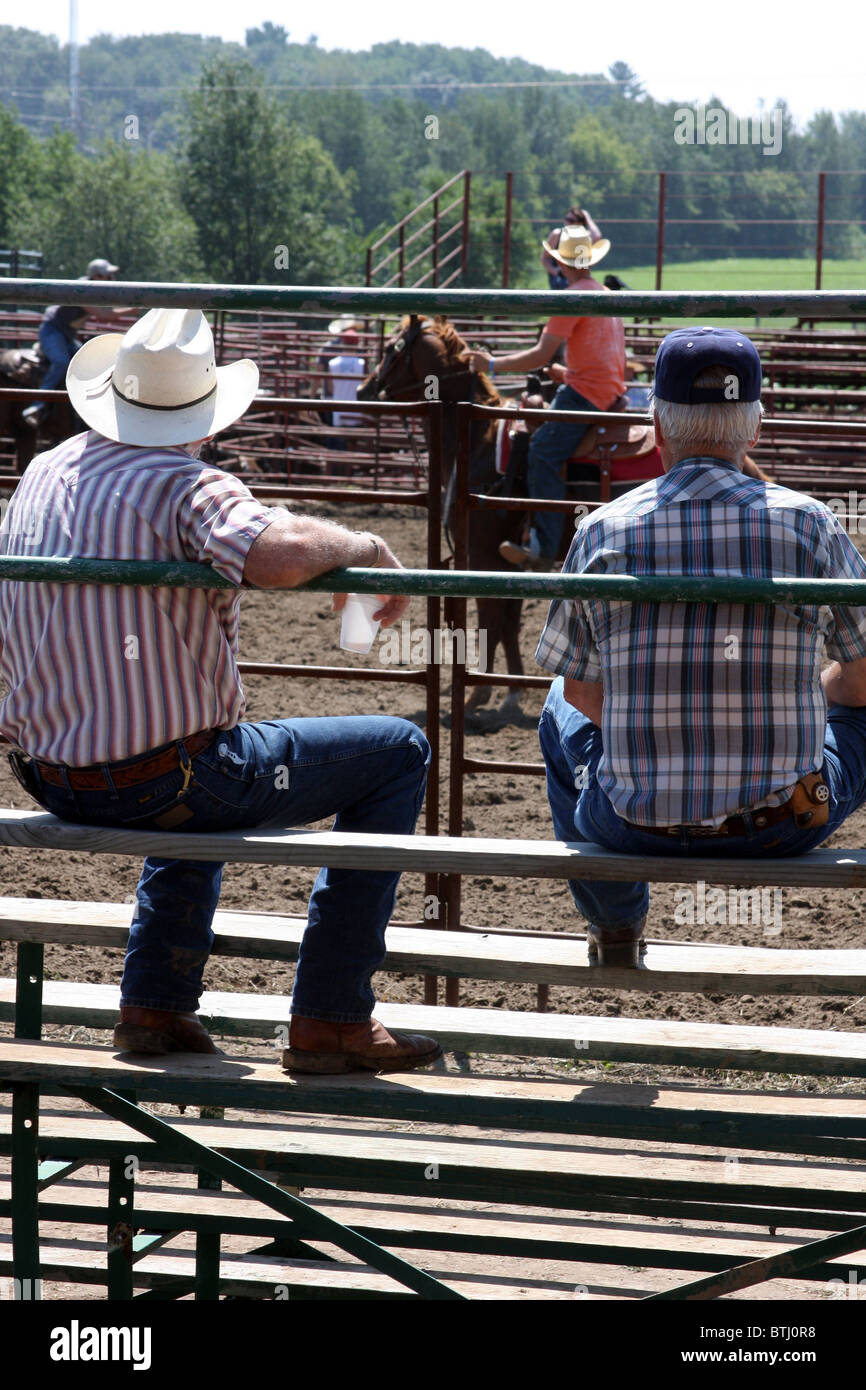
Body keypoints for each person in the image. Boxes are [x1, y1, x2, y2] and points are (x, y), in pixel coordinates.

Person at [0, 307, 441, 1074]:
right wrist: (364, 544)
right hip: (163, 779)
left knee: (194, 746)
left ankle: (156, 1005)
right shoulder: (185, 483)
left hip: (47, 771)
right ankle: (332, 1017)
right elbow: (278, 554)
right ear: (202, 414)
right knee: (397, 749)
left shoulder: (45, 470)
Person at [534, 326, 866, 967]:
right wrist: (812, 698)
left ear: (656, 426)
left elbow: (583, 692)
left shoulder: (601, 531)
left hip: (632, 821)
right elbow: (860, 683)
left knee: (558, 703)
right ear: (757, 428)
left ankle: (614, 923)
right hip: (785, 827)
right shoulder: (810, 525)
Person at [469, 223, 625, 568]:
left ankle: (543, 547)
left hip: (587, 395)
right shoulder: (603, 293)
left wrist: (491, 364)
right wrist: (567, 373)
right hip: (604, 389)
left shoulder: (571, 298)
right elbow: (604, 355)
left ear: (559, 262)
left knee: (542, 450)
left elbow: (541, 354)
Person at [22, 258, 125, 428]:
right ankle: (37, 405)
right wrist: (136, 307)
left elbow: (107, 312)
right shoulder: (83, 290)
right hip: (53, 331)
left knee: (87, 362)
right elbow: (105, 315)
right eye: (108, 276)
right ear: (97, 276)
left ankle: (85, 407)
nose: (111, 280)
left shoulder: (94, 290)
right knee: (62, 363)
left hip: (65, 335)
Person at [541, 207, 607, 290]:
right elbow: (544, 258)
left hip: (573, 282)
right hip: (561, 281)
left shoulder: (584, 237)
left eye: (571, 220)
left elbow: (596, 236)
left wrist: (587, 217)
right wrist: (555, 271)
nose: (567, 222)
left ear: (581, 223)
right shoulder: (557, 234)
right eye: (566, 219)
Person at [326, 327, 366, 449]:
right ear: (357, 344)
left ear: (342, 343)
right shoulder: (362, 364)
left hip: (338, 413)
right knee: (355, 451)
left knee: (339, 451)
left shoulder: (332, 363)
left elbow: (331, 389)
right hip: (356, 414)